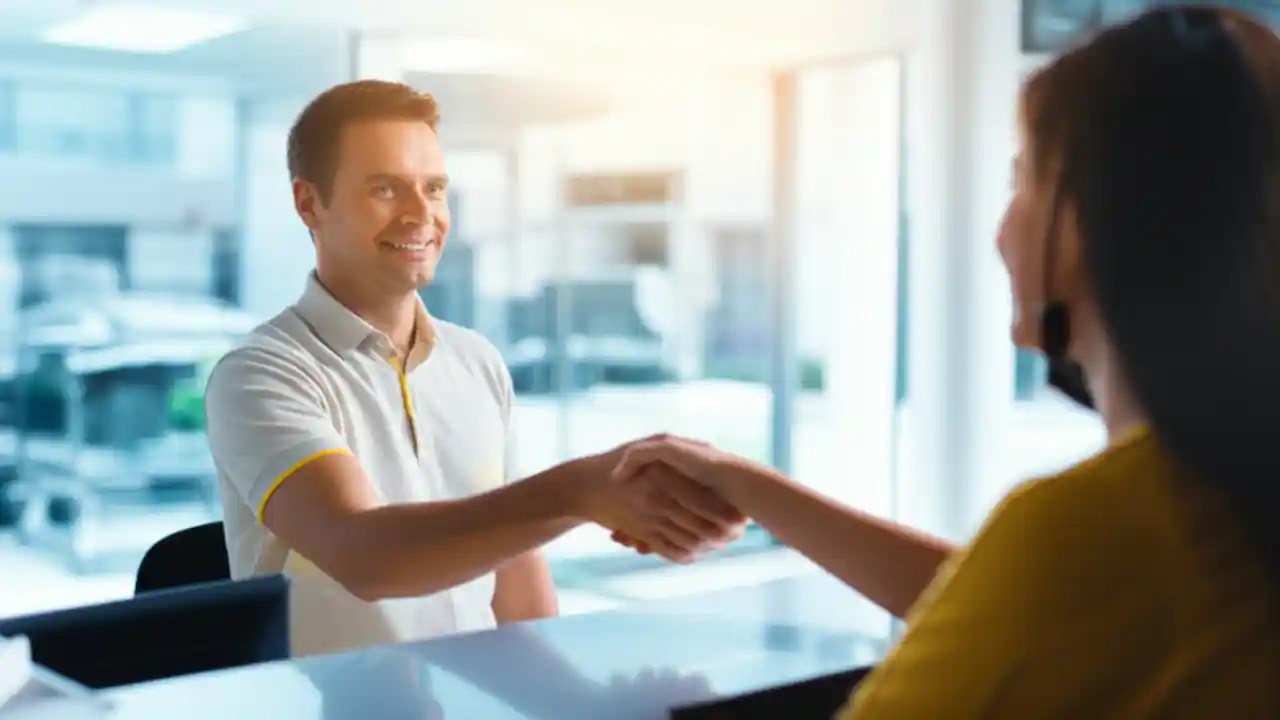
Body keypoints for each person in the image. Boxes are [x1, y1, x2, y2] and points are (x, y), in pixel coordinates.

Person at [613, 6, 1280, 717]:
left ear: (1086, 220)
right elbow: (1005, 599)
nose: (1003, 227)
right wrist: (745, 484)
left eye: (1022, 180)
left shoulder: (1093, 531)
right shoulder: (1213, 498)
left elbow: (1043, 581)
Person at [203, 80, 744, 657]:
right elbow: (364, 556)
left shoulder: (476, 361)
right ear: (310, 203)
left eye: (434, 188)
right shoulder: (260, 375)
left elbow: (521, 595)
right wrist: (578, 491)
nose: (421, 215)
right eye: (385, 189)